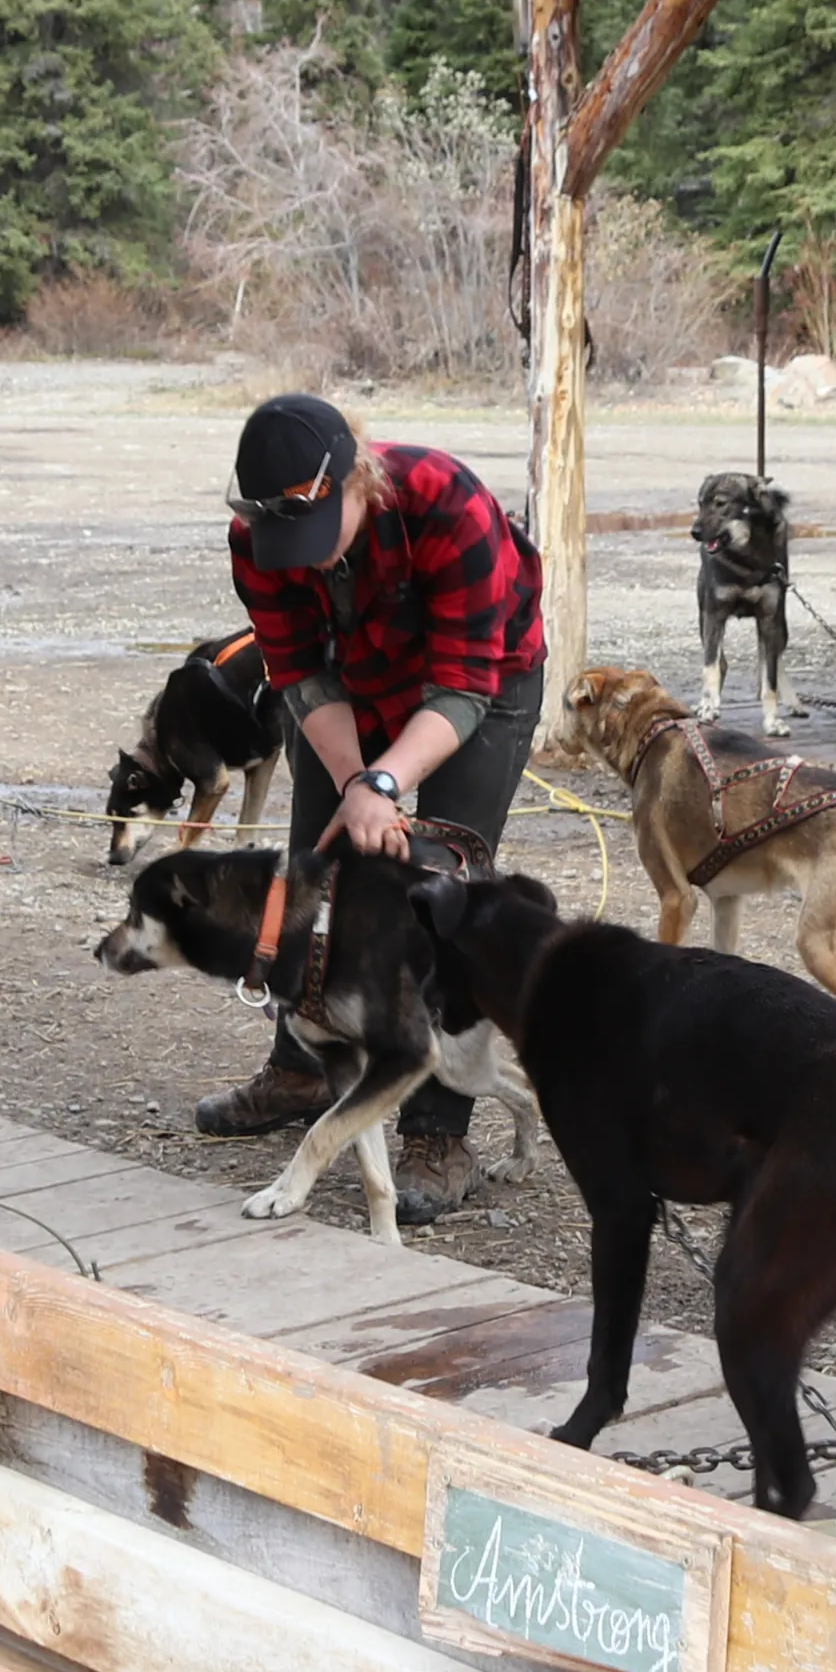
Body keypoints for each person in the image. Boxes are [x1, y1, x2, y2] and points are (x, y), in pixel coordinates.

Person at [196, 392, 546, 1224]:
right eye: (291, 547)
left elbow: (463, 685)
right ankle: (303, 1065)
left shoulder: (447, 504)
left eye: (319, 539)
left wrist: (388, 786)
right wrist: (357, 783)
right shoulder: (257, 542)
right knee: (317, 866)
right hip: (347, 683)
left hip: (481, 683)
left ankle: (437, 1130)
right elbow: (297, 674)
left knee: (440, 886)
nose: (307, 562)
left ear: (362, 480)